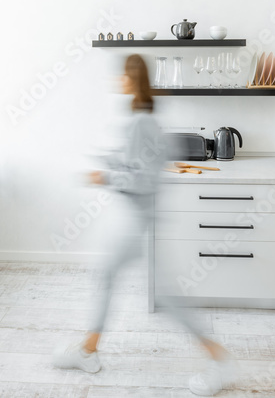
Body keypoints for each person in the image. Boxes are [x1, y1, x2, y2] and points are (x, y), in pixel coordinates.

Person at [52, 54, 235, 396]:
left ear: (132, 79)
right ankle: (88, 351)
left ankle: (221, 361)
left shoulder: (141, 122)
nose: (117, 80)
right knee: (109, 275)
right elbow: (139, 162)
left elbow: (145, 180)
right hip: (137, 221)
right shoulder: (142, 118)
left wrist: (103, 175)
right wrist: (109, 160)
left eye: (122, 75)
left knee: (167, 297)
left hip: (138, 223)